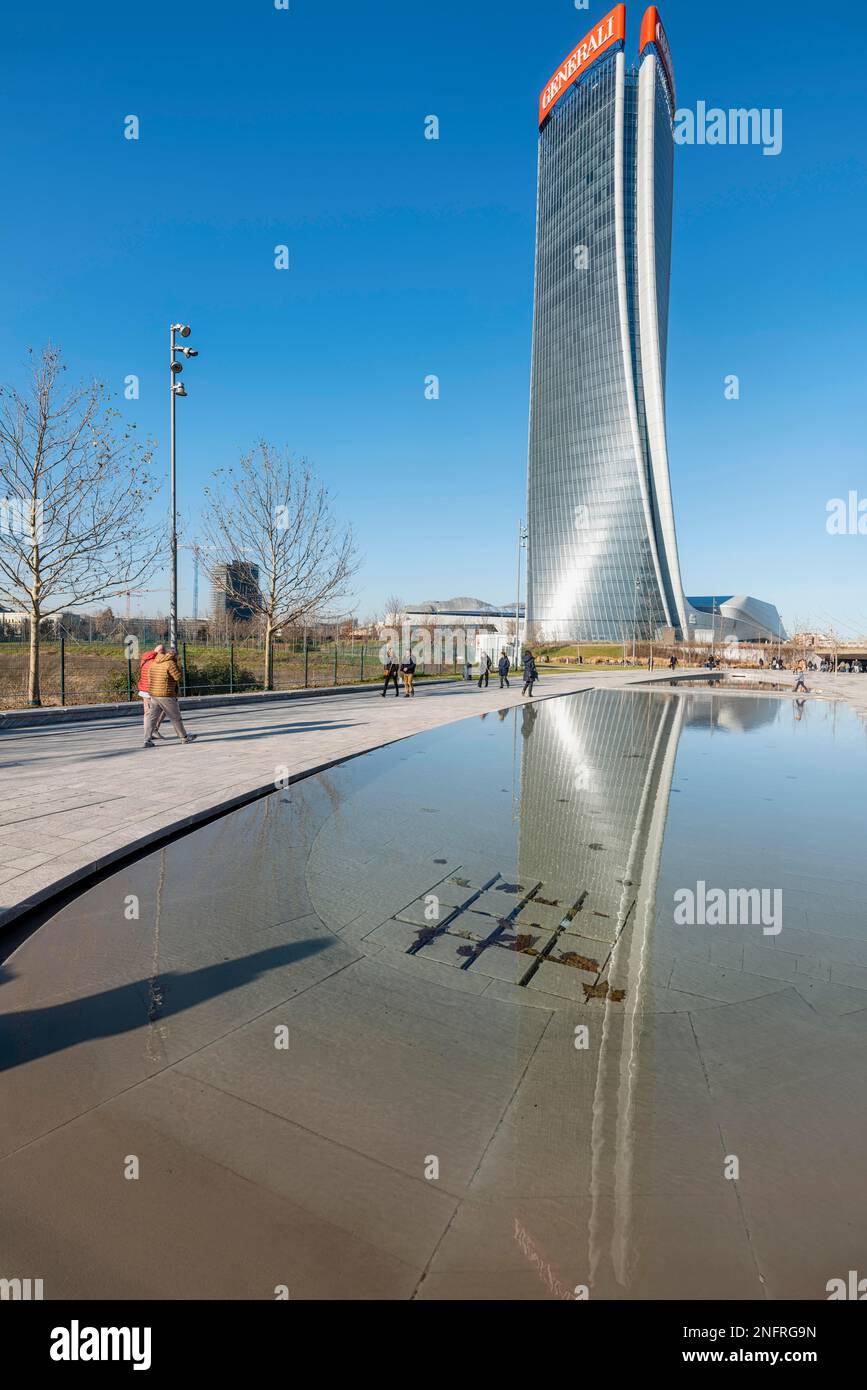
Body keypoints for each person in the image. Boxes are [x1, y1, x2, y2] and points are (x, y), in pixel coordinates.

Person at [143, 647, 197, 746]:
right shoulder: (170, 663)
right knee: (175, 717)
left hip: (154, 694)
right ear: (174, 655)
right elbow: (178, 677)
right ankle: (184, 738)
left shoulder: (154, 662)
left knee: (152, 717)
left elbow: (149, 677)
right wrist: (178, 667)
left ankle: (147, 740)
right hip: (166, 694)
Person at [138, 643, 167, 740]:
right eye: (164, 652)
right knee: (162, 709)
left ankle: (150, 732)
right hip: (151, 690)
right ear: (160, 652)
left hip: (143, 689)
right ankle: (151, 733)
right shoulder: (155, 662)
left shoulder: (145, 659)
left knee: (148, 712)